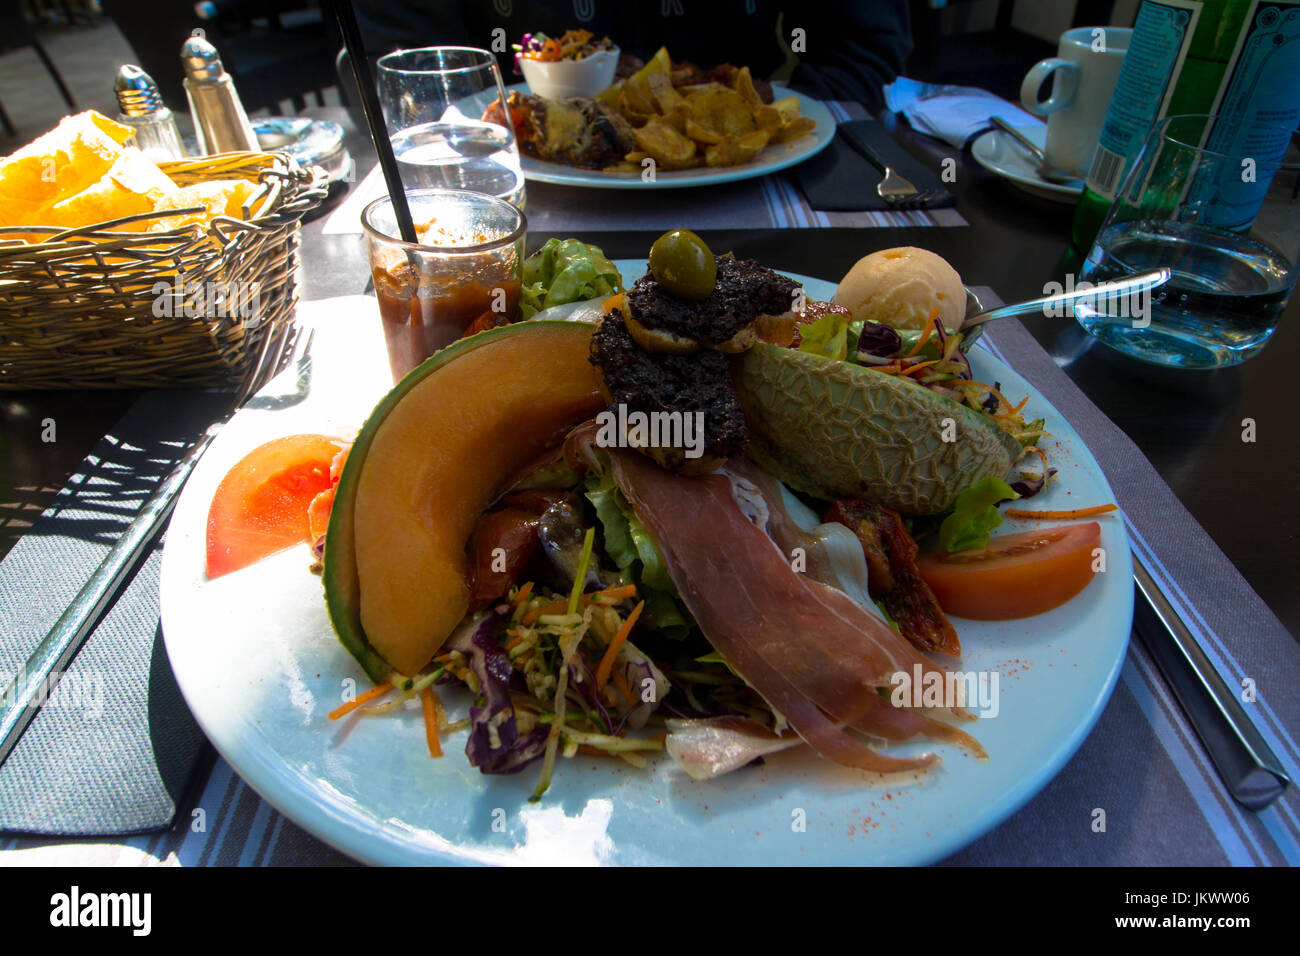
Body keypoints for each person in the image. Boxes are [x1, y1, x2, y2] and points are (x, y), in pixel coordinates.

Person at [353, 0, 912, 111]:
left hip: (778, 206)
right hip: (511, 193)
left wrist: (775, 119)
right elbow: (407, 68)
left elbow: (866, 44)